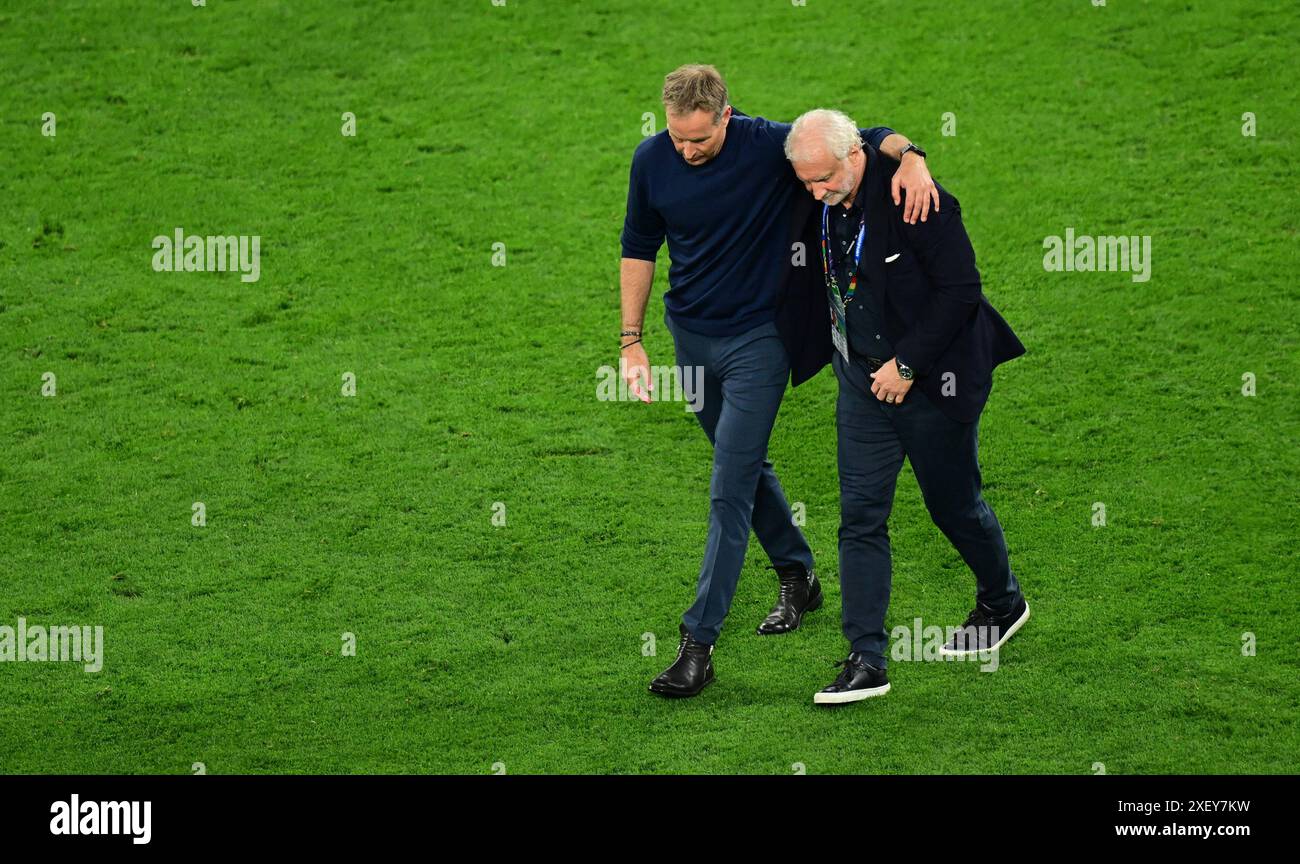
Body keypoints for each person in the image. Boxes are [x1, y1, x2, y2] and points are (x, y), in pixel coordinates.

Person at [618, 66, 938, 698]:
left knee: (728, 489)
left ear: (726, 116)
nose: (686, 151)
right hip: (690, 336)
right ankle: (798, 572)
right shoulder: (651, 160)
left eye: (699, 139)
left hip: (758, 341)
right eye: (676, 137)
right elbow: (638, 245)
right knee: (740, 463)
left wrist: (915, 158)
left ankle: (697, 645)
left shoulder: (770, 144)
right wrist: (631, 341)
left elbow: (862, 136)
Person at [782, 109, 1029, 705]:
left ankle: (1002, 600)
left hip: (932, 384)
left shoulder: (918, 198)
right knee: (860, 518)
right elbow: (868, 128)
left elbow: (961, 291)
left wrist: (908, 365)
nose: (816, 192)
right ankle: (867, 658)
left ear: (856, 157)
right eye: (807, 183)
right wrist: (908, 147)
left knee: (954, 508)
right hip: (860, 386)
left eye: (825, 180)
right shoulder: (831, 169)